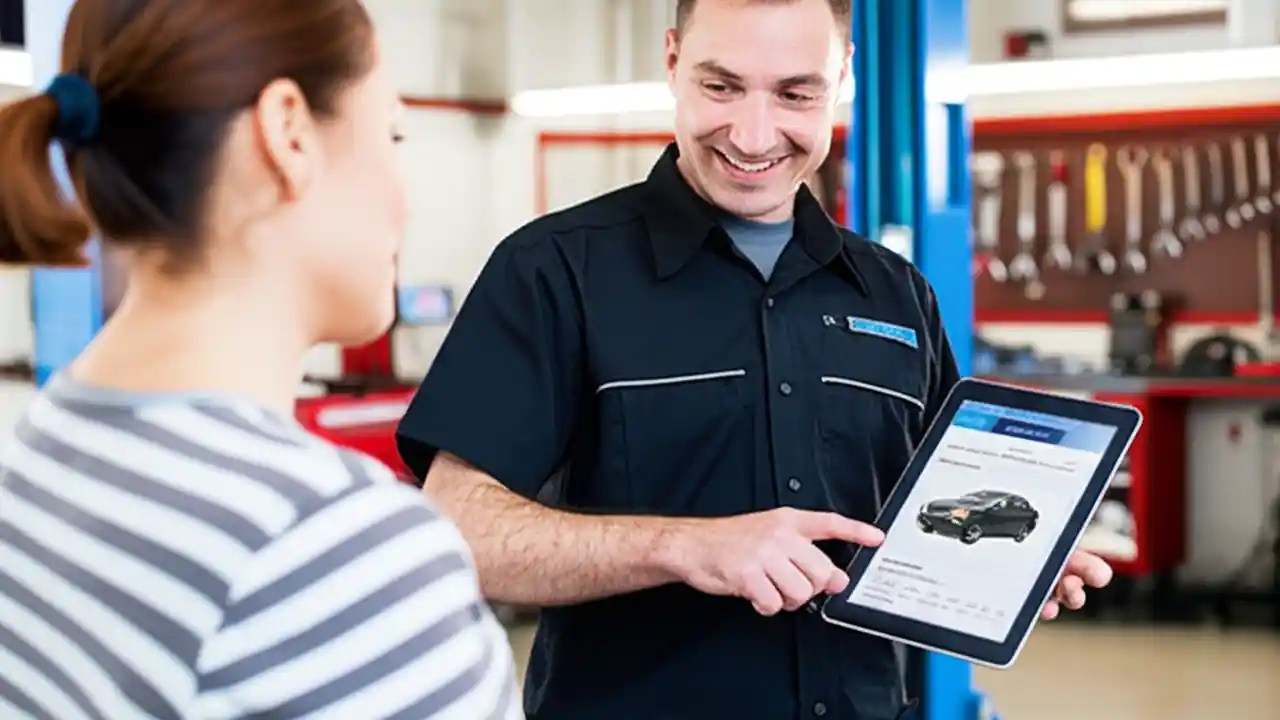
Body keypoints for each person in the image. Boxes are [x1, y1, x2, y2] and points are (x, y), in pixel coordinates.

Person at [396, 0, 1114, 718]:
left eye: (795, 95)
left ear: (841, 77)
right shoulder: (555, 271)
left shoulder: (896, 293)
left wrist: (1011, 564)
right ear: (672, 61)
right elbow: (458, 533)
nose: (753, 135)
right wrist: (685, 547)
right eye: (722, 87)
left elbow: (924, 521)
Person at [0, 1, 521, 718]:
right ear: (288, 133)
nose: (406, 197)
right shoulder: (342, 554)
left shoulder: (42, 444)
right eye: (392, 133)